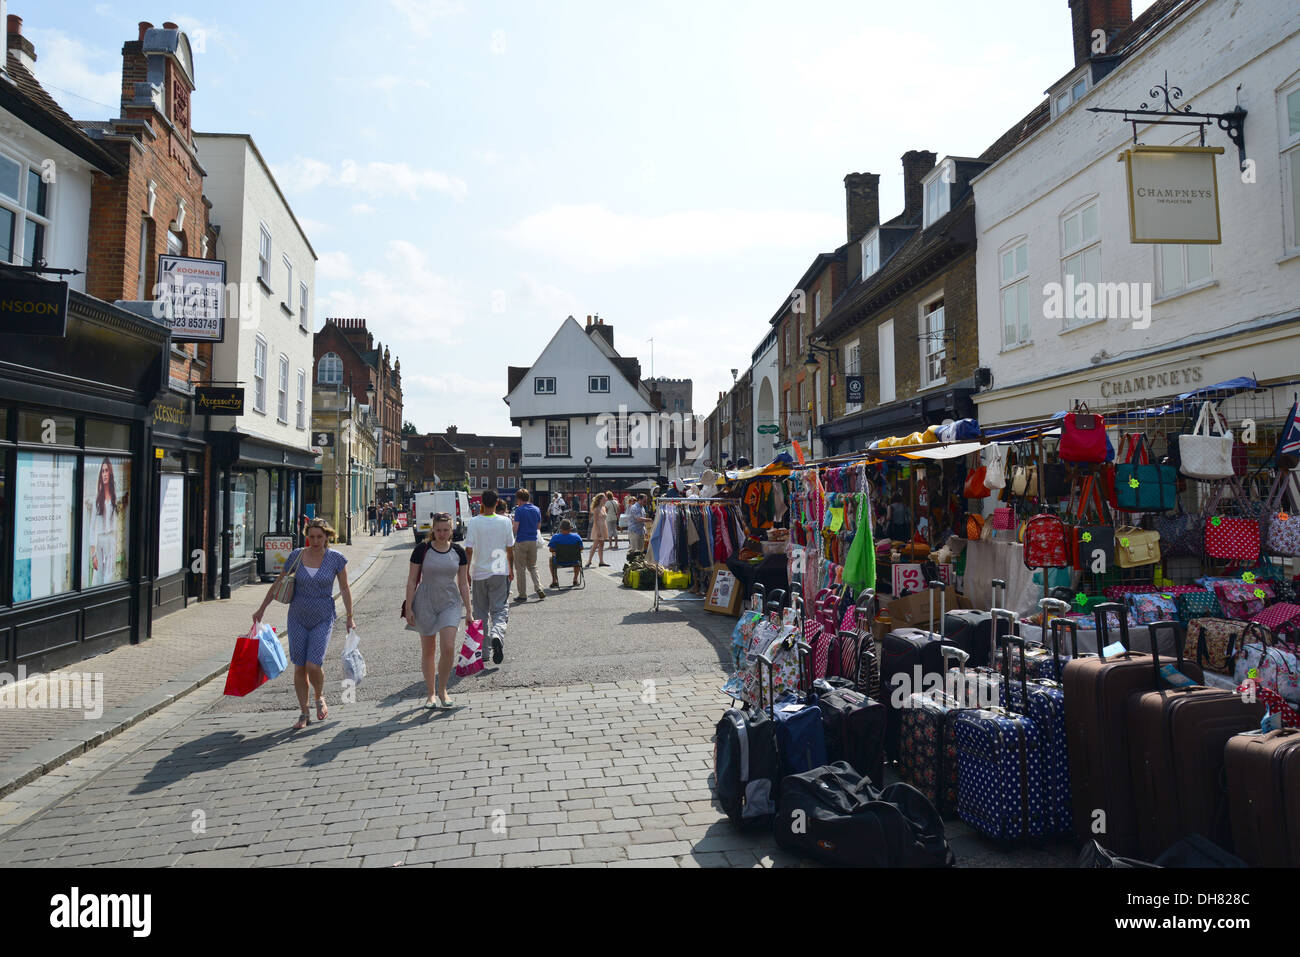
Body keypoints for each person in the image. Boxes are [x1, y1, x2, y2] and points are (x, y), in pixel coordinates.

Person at [253, 518, 354, 731]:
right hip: (297, 616)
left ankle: (319, 696)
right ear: (307, 536)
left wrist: (350, 616)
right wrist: (262, 609)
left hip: (323, 616)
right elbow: (279, 583)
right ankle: (304, 712)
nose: (315, 541)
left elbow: (344, 588)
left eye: (320, 536)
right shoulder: (297, 555)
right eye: (312, 536)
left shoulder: (336, 559)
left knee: (313, 664)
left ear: (327, 536)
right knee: (299, 665)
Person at [405, 512, 473, 709]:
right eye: (439, 530)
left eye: (446, 530)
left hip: (450, 602)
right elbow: (411, 580)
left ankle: (443, 690)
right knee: (428, 650)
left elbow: (463, 583)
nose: (442, 534)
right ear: (432, 530)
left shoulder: (458, 552)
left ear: (452, 530)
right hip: (425, 601)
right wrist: (409, 607)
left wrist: (468, 610)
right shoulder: (422, 550)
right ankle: (431, 693)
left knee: (449, 647)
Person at [463, 488, 514, 665]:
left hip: (479, 571)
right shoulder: (505, 521)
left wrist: (467, 571)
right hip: (500, 569)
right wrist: (511, 569)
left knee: (480, 613)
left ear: (482, 503)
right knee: (499, 609)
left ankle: (484, 653)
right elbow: (509, 548)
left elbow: (468, 549)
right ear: (497, 502)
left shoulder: (474, 522)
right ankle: (497, 633)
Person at [86, 457, 120, 586]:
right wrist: (93, 554)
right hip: (99, 541)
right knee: (98, 578)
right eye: (102, 471)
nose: (105, 474)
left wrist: (115, 546)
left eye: (107, 471)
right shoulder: (97, 500)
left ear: (110, 473)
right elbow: (92, 528)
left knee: (109, 578)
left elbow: (116, 525)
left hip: (110, 540)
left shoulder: (114, 499)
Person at [511, 489, 545, 602]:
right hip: (533, 541)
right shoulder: (536, 509)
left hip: (521, 540)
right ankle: (539, 587)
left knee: (520, 568)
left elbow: (515, 528)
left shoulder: (519, 510)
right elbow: (539, 526)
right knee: (533, 566)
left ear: (519, 499)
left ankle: (522, 594)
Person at [548, 519, 584, 588]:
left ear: (561, 528)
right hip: (574, 561)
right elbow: (581, 548)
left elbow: (551, 549)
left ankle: (554, 581)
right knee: (578, 557)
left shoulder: (555, 537)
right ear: (570, 528)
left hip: (560, 560)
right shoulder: (577, 537)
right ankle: (575, 579)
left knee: (551, 559)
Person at [586, 492, 609, 568]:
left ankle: (601, 561)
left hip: (603, 526)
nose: (606, 499)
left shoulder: (603, 507)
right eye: (604, 498)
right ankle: (589, 561)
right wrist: (598, 531)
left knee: (602, 545)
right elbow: (595, 521)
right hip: (598, 527)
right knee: (595, 545)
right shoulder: (596, 509)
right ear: (600, 499)